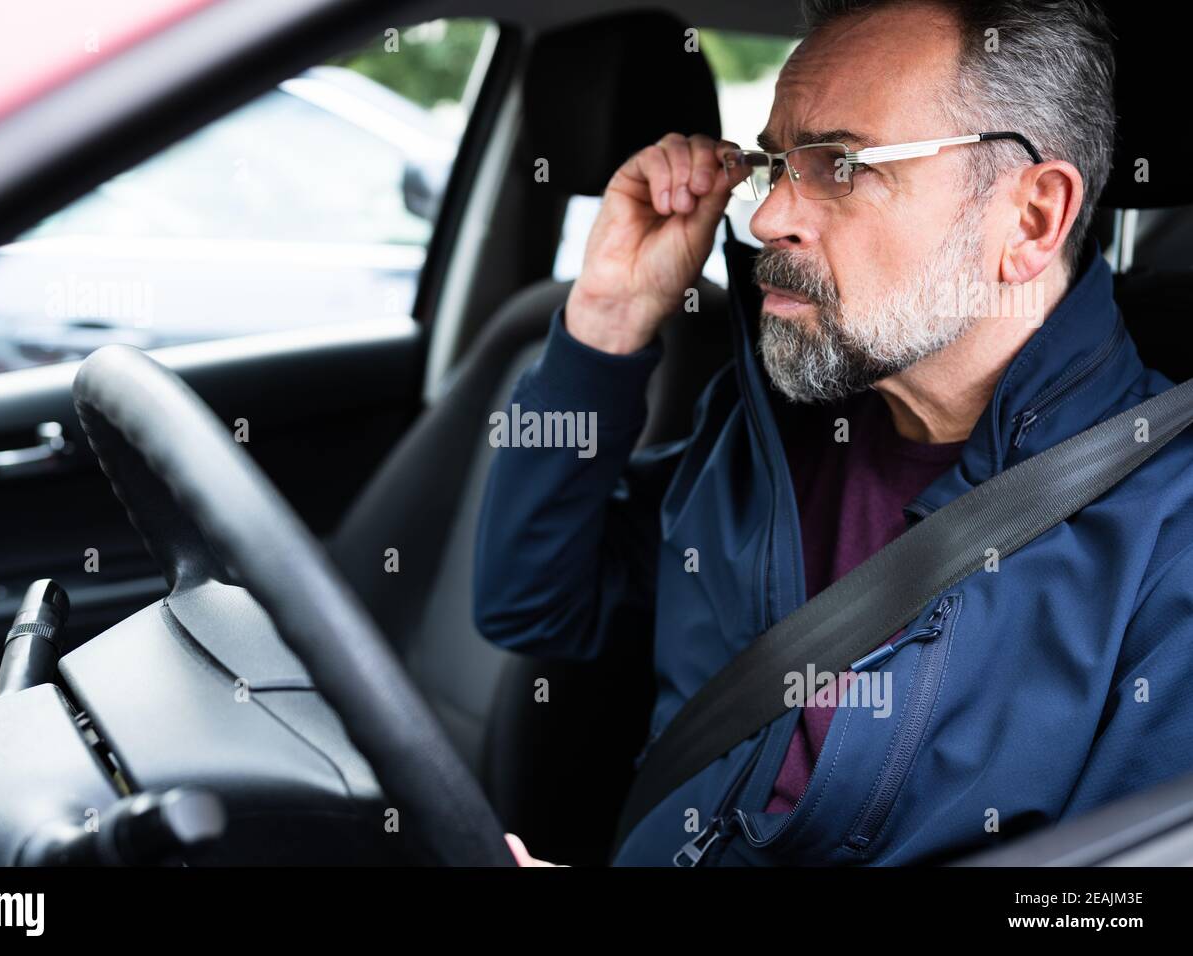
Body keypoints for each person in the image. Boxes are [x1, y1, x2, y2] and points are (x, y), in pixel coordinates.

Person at [476, 0, 1193, 865]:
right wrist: (607, 321)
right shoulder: (773, 425)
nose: (765, 216)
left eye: (842, 163)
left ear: (1032, 217)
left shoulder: (1167, 541)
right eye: (775, 163)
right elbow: (531, 603)